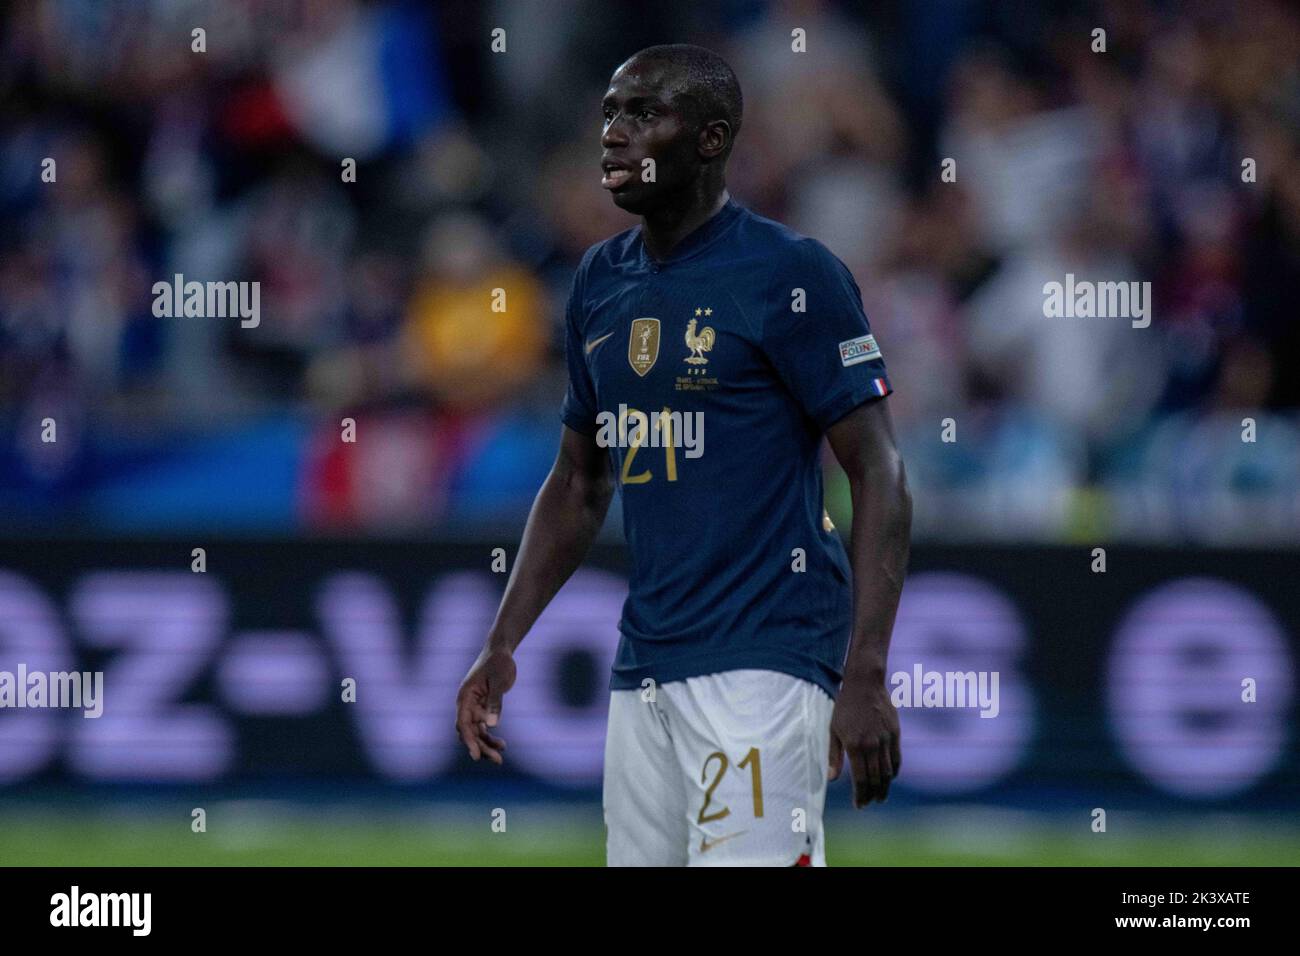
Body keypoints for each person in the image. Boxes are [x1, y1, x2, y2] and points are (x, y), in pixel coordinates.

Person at [455, 44, 912, 866]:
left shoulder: (791, 275)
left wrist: (866, 671)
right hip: (645, 672)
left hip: (765, 666)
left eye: (643, 115)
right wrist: (503, 641)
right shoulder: (598, 281)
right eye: (609, 115)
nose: (614, 137)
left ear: (710, 140)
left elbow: (878, 468)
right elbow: (578, 481)